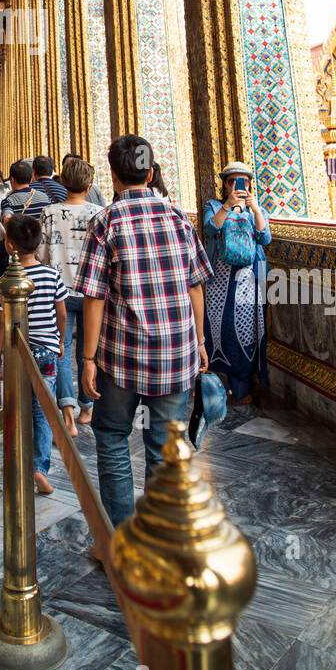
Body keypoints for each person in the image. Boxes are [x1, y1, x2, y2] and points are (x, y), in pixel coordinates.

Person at [73, 134, 212, 529]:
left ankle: (119, 539)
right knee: (164, 448)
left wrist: (87, 359)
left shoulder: (105, 222)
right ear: (150, 174)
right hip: (174, 353)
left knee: (113, 436)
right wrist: (200, 341)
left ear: (114, 178)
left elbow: (95, 297)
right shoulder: (178, 219)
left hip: (122, 357)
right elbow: (196, 285)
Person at [0, 214, 67, 495]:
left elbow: (0, 322)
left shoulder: (4, 280)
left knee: (16, 407)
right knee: (43, 411)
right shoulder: (51, 274)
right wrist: (59, 341)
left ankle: (17, 460)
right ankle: (39, 466)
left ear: (9, 245)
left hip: (16, 353)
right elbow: (61, 312)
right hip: (46, 351)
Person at [39, 155, 101, 434]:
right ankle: (87, 407)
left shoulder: (50, 213)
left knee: (60, 351)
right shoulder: (99, 214)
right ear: (89, 185)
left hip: (59, 291)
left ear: (63, 182)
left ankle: (67, 414)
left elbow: (41, 255)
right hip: (91, 293)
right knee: (87, 352)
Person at [203, 160, 271, 407]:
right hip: (220, 279)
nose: (238, 185)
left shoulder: (257, 209)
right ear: (225, 184)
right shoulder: (214, 206)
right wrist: (229, 206)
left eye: (242, 181)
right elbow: (210, 229)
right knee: (219, 329)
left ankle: (242, 387)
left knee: (245, 333)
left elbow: (265, 238)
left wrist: (255, 210)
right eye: (232, 181)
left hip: (248, 278)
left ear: (250, 184)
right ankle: (216, 385)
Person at [0, 159, 51, 272]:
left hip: (21, 251)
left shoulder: (9, 200)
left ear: (12, 179)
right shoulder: (45, 197)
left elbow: (7, 219)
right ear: (31, 178)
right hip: (41, 248)